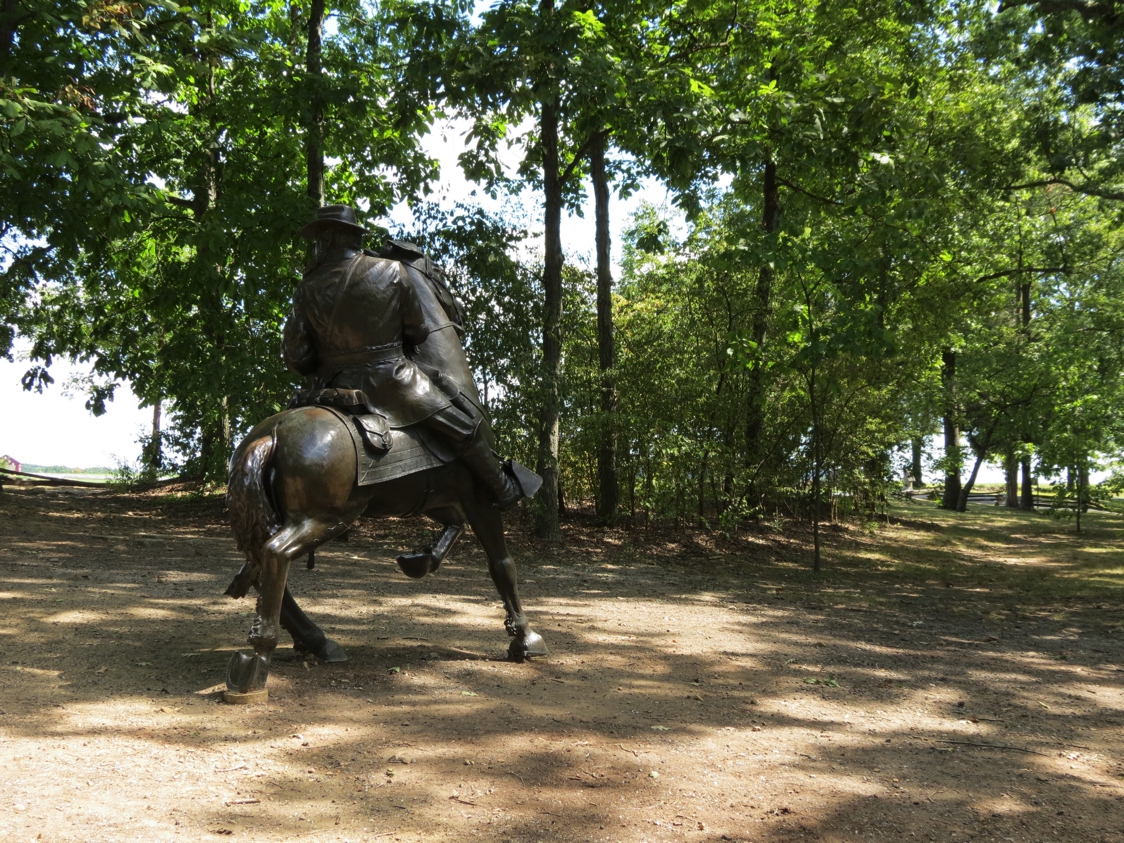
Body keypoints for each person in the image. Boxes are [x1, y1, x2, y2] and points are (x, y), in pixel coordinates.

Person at [282, 204, 521, 509]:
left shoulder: (306, 289)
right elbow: (418, 332)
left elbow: (298, 358)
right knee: (463, 427)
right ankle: (502, 488)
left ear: (328, 240)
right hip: (393, 381)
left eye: (318, 239)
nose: (315, 247)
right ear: (352, 238)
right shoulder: (391, 271)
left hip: (330, 388)